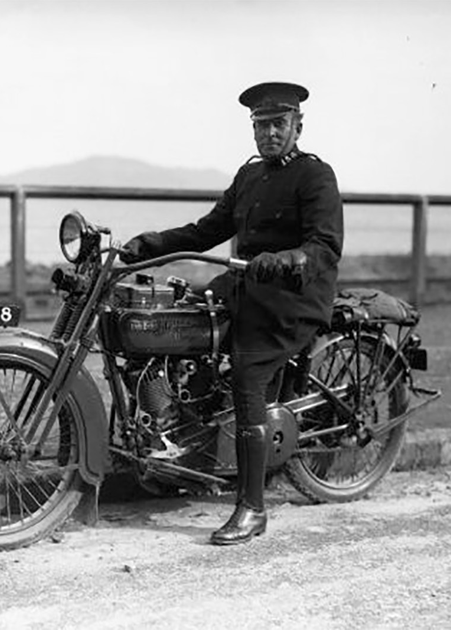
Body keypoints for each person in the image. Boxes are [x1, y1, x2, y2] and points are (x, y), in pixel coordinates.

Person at [120, 81, 344, 545]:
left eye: (278, 124)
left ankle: (252, 508)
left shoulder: (315, 176)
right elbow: (208, 229)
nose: (268, 133)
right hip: (245, 287)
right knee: (183, 330)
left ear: (298, 126)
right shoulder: (249, 177)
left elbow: (324, 246)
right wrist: (152, 246)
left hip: (291, 300)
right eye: (260, 125)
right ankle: (177, 451)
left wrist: (287, 260)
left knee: (246, 378)